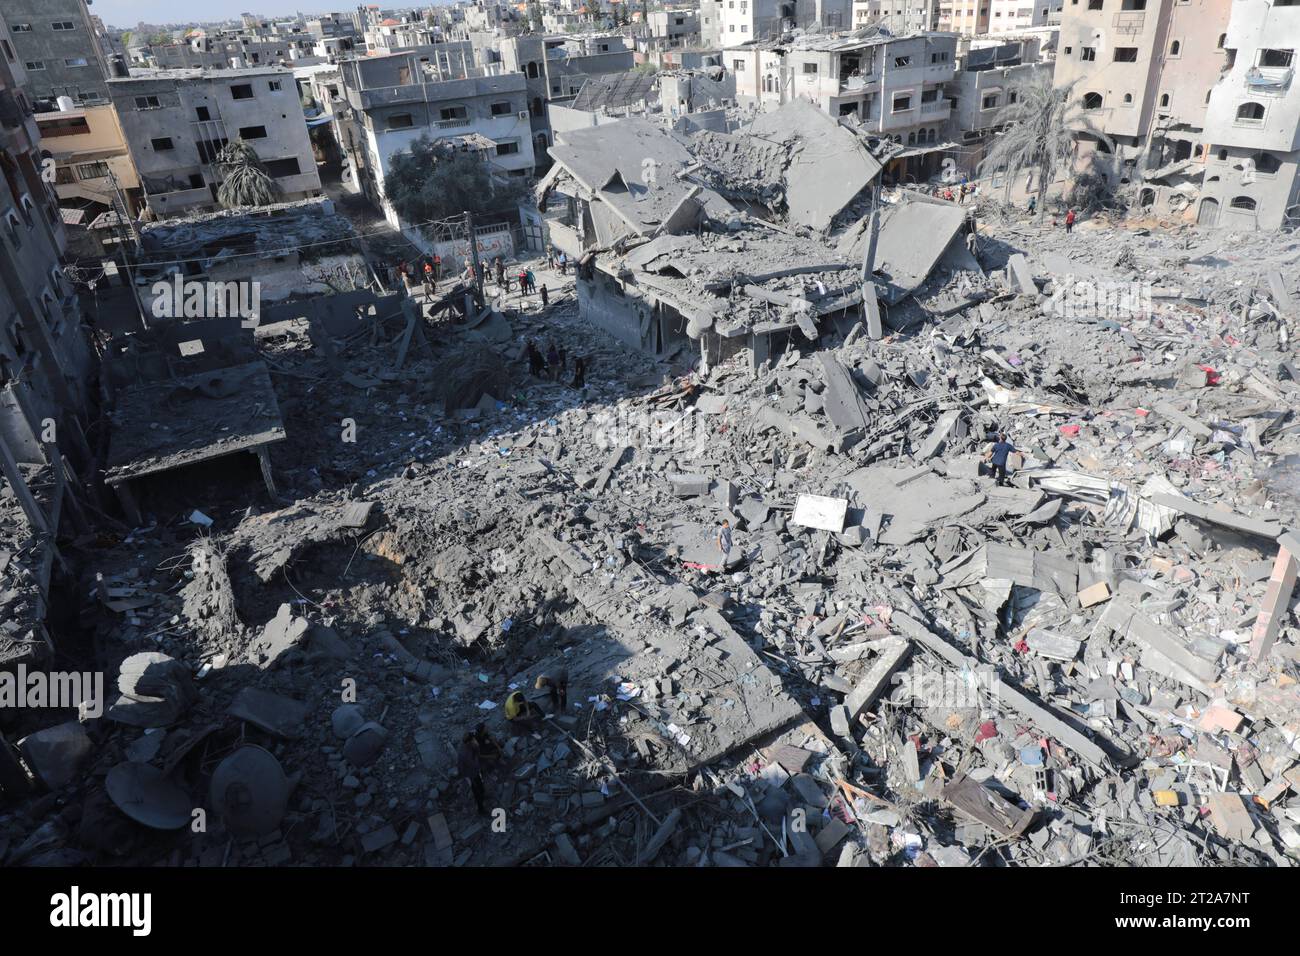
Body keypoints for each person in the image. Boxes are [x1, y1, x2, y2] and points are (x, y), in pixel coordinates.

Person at [457, 731, 487, 815]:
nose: (474, 740)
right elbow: (461, 768)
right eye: (473, 740)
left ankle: (483, 795)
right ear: (468, 742)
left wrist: (477, 747)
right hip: (471, 775)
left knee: (481, 786)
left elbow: (477, 755)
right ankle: (481, 809)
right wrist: (467, 777)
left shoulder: (472, 746)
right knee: (476, 791)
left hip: (476, 771)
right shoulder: (463, 754)